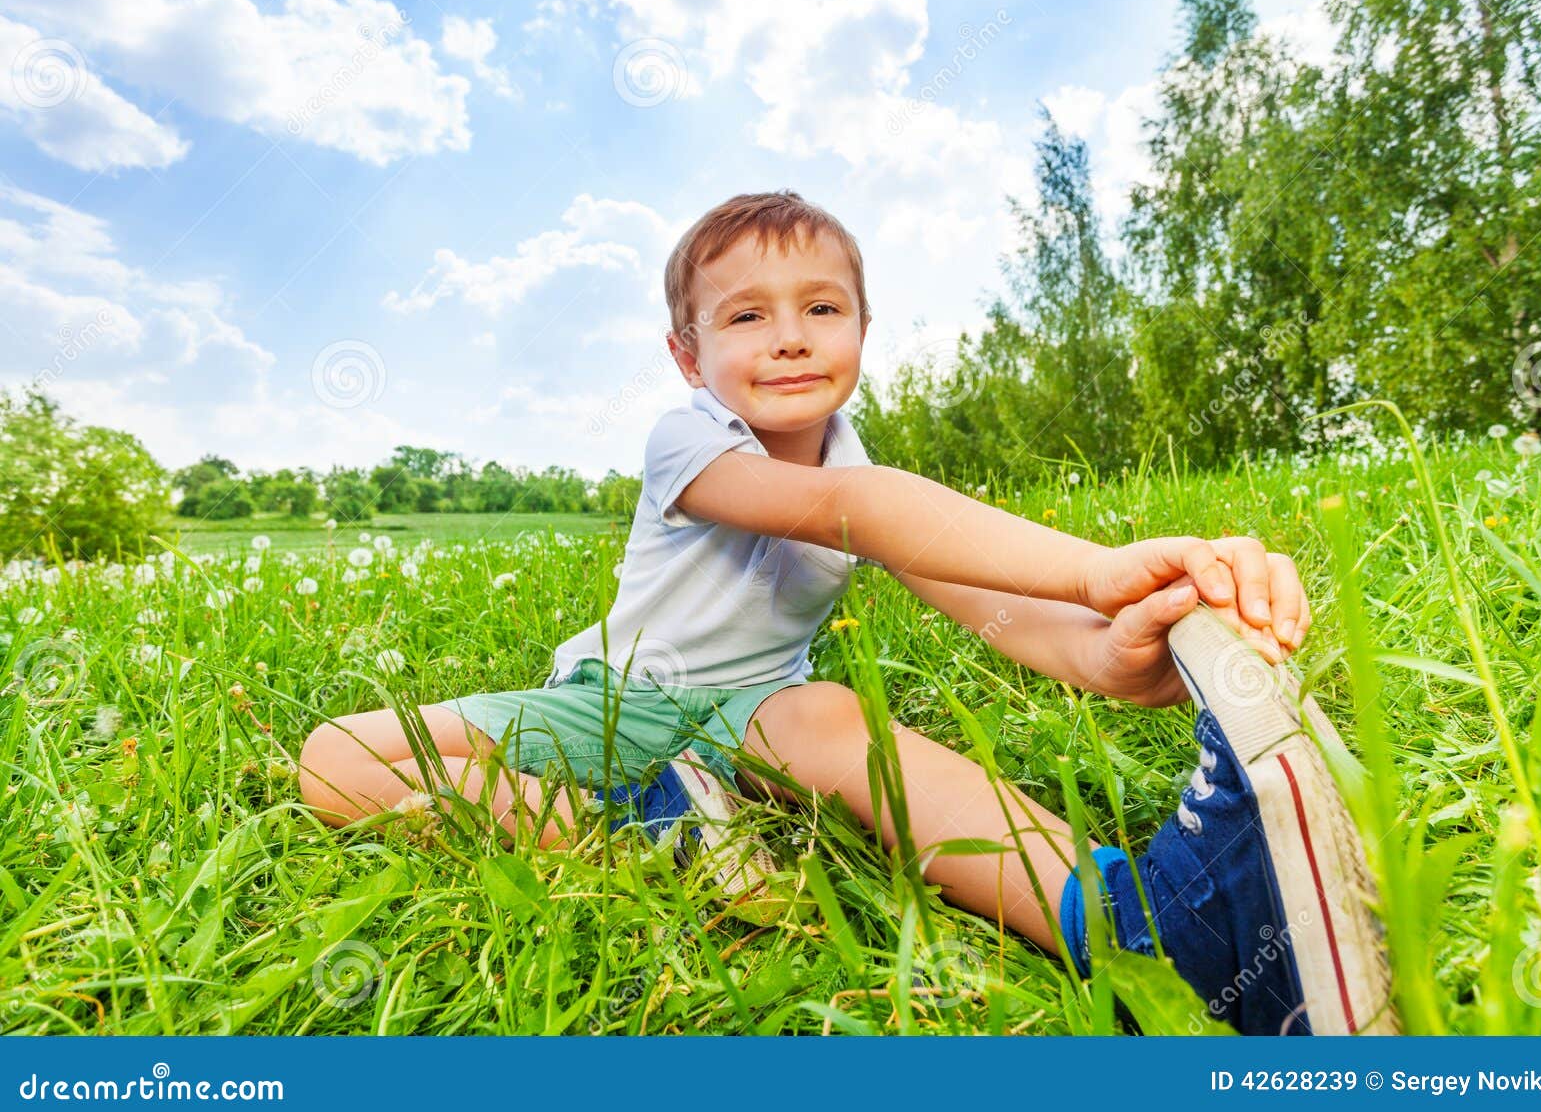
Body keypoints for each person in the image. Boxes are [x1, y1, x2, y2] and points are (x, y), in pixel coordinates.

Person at [297, 190, 1397, 1036]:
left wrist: (1115, 652)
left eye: (821, 309)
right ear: (690, 354)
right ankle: (636, 832)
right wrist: (1099, 565)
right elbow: (848, 510)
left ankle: (1156, 926)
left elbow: (998, 614)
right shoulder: (688, 440)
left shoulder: (867, 468)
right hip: (620, 705)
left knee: (831, 714)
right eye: (746, 316)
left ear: (861, 332)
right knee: (336, 757)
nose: (787, 337)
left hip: (759, 715)